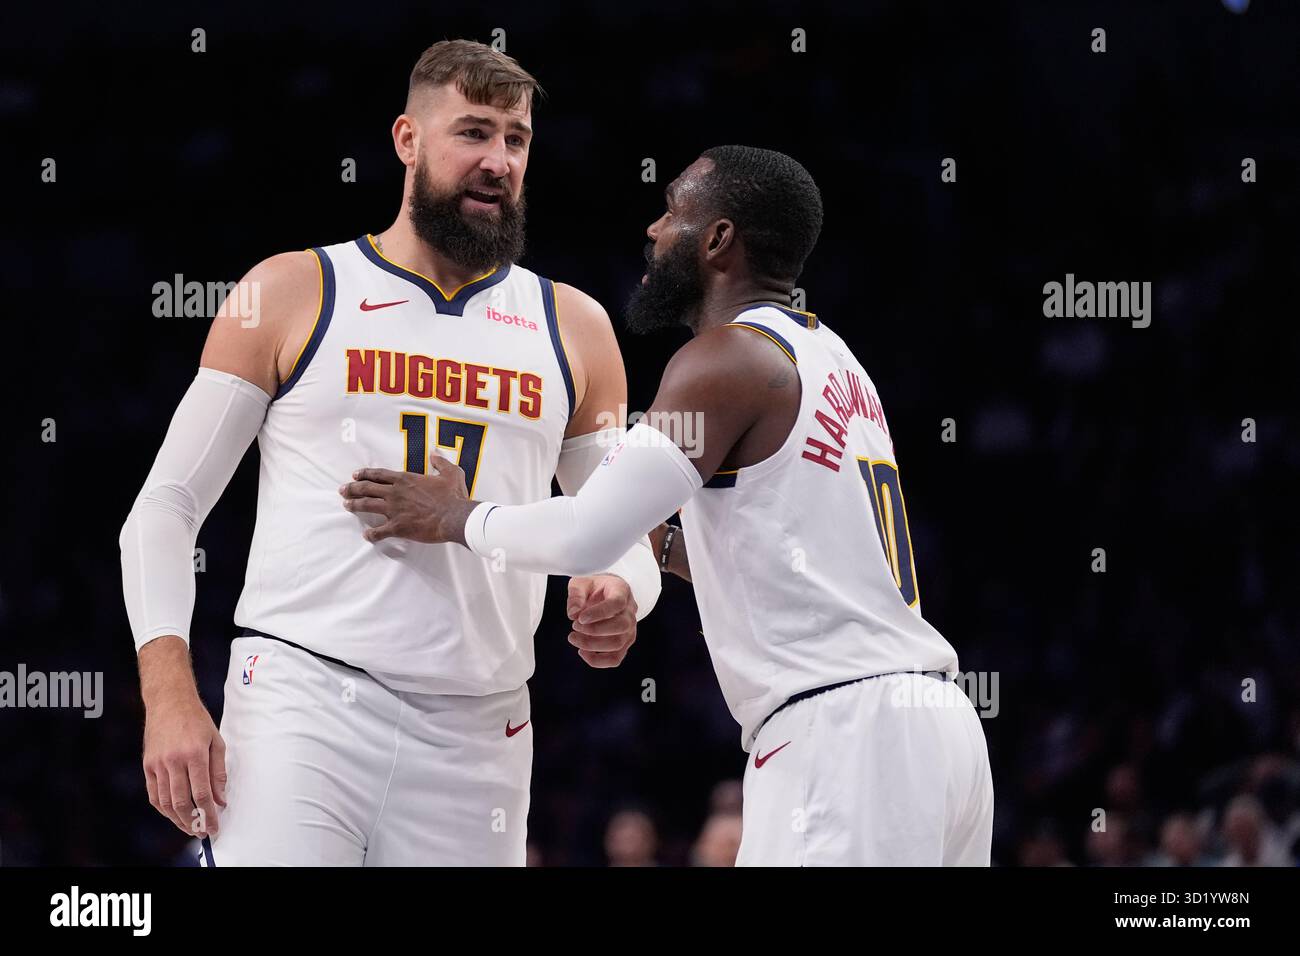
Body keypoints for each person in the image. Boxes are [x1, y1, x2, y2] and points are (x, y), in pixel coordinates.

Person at [337, 145, 995, 865]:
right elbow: (792, 550)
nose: (653, 229)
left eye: (674, 209)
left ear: (718, 240)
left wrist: (458, 517)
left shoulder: (724, 361)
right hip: (936, 731)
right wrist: (670, 549)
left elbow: (589, 529)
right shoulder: (833, 357)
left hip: (846, 736)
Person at [119, 39, 659, 866]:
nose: (498, 161)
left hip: (482, 732)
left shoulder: (575, 325)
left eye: (516, 140)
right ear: (407, 139)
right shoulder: (295, 290)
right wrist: (168, 694)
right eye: (472, 133)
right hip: (303, 701)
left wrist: (623, 586)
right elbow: (165, 507)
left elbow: (627, 526)